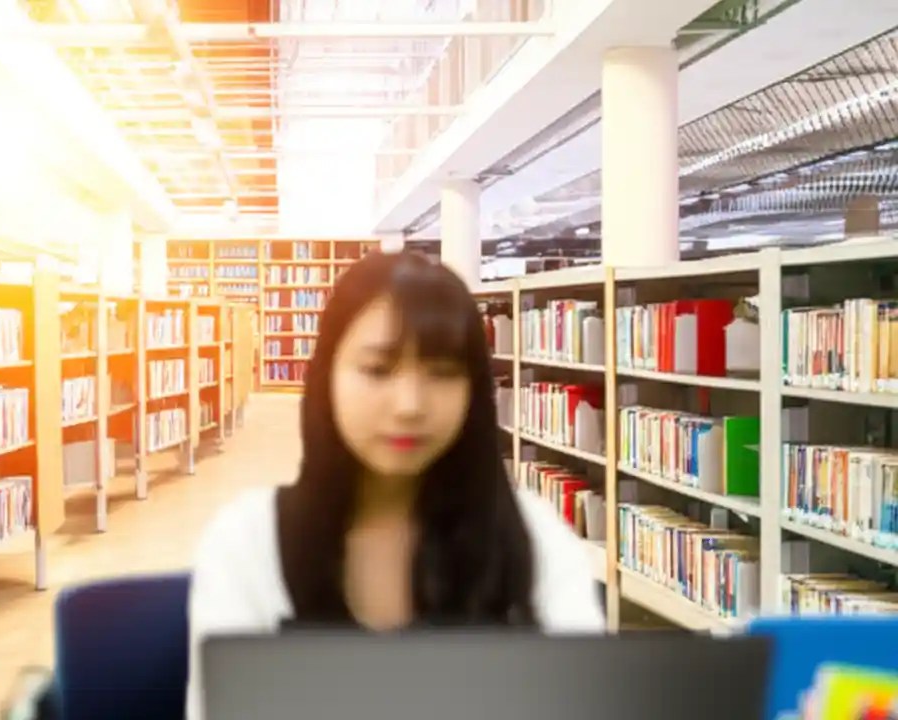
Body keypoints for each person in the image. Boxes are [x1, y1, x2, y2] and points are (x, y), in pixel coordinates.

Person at [185, 251, 605, 720]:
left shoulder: (537, 536)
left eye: (443, 373)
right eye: (378, 369)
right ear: (327, 376)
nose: (409, 405)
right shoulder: (246, 542)